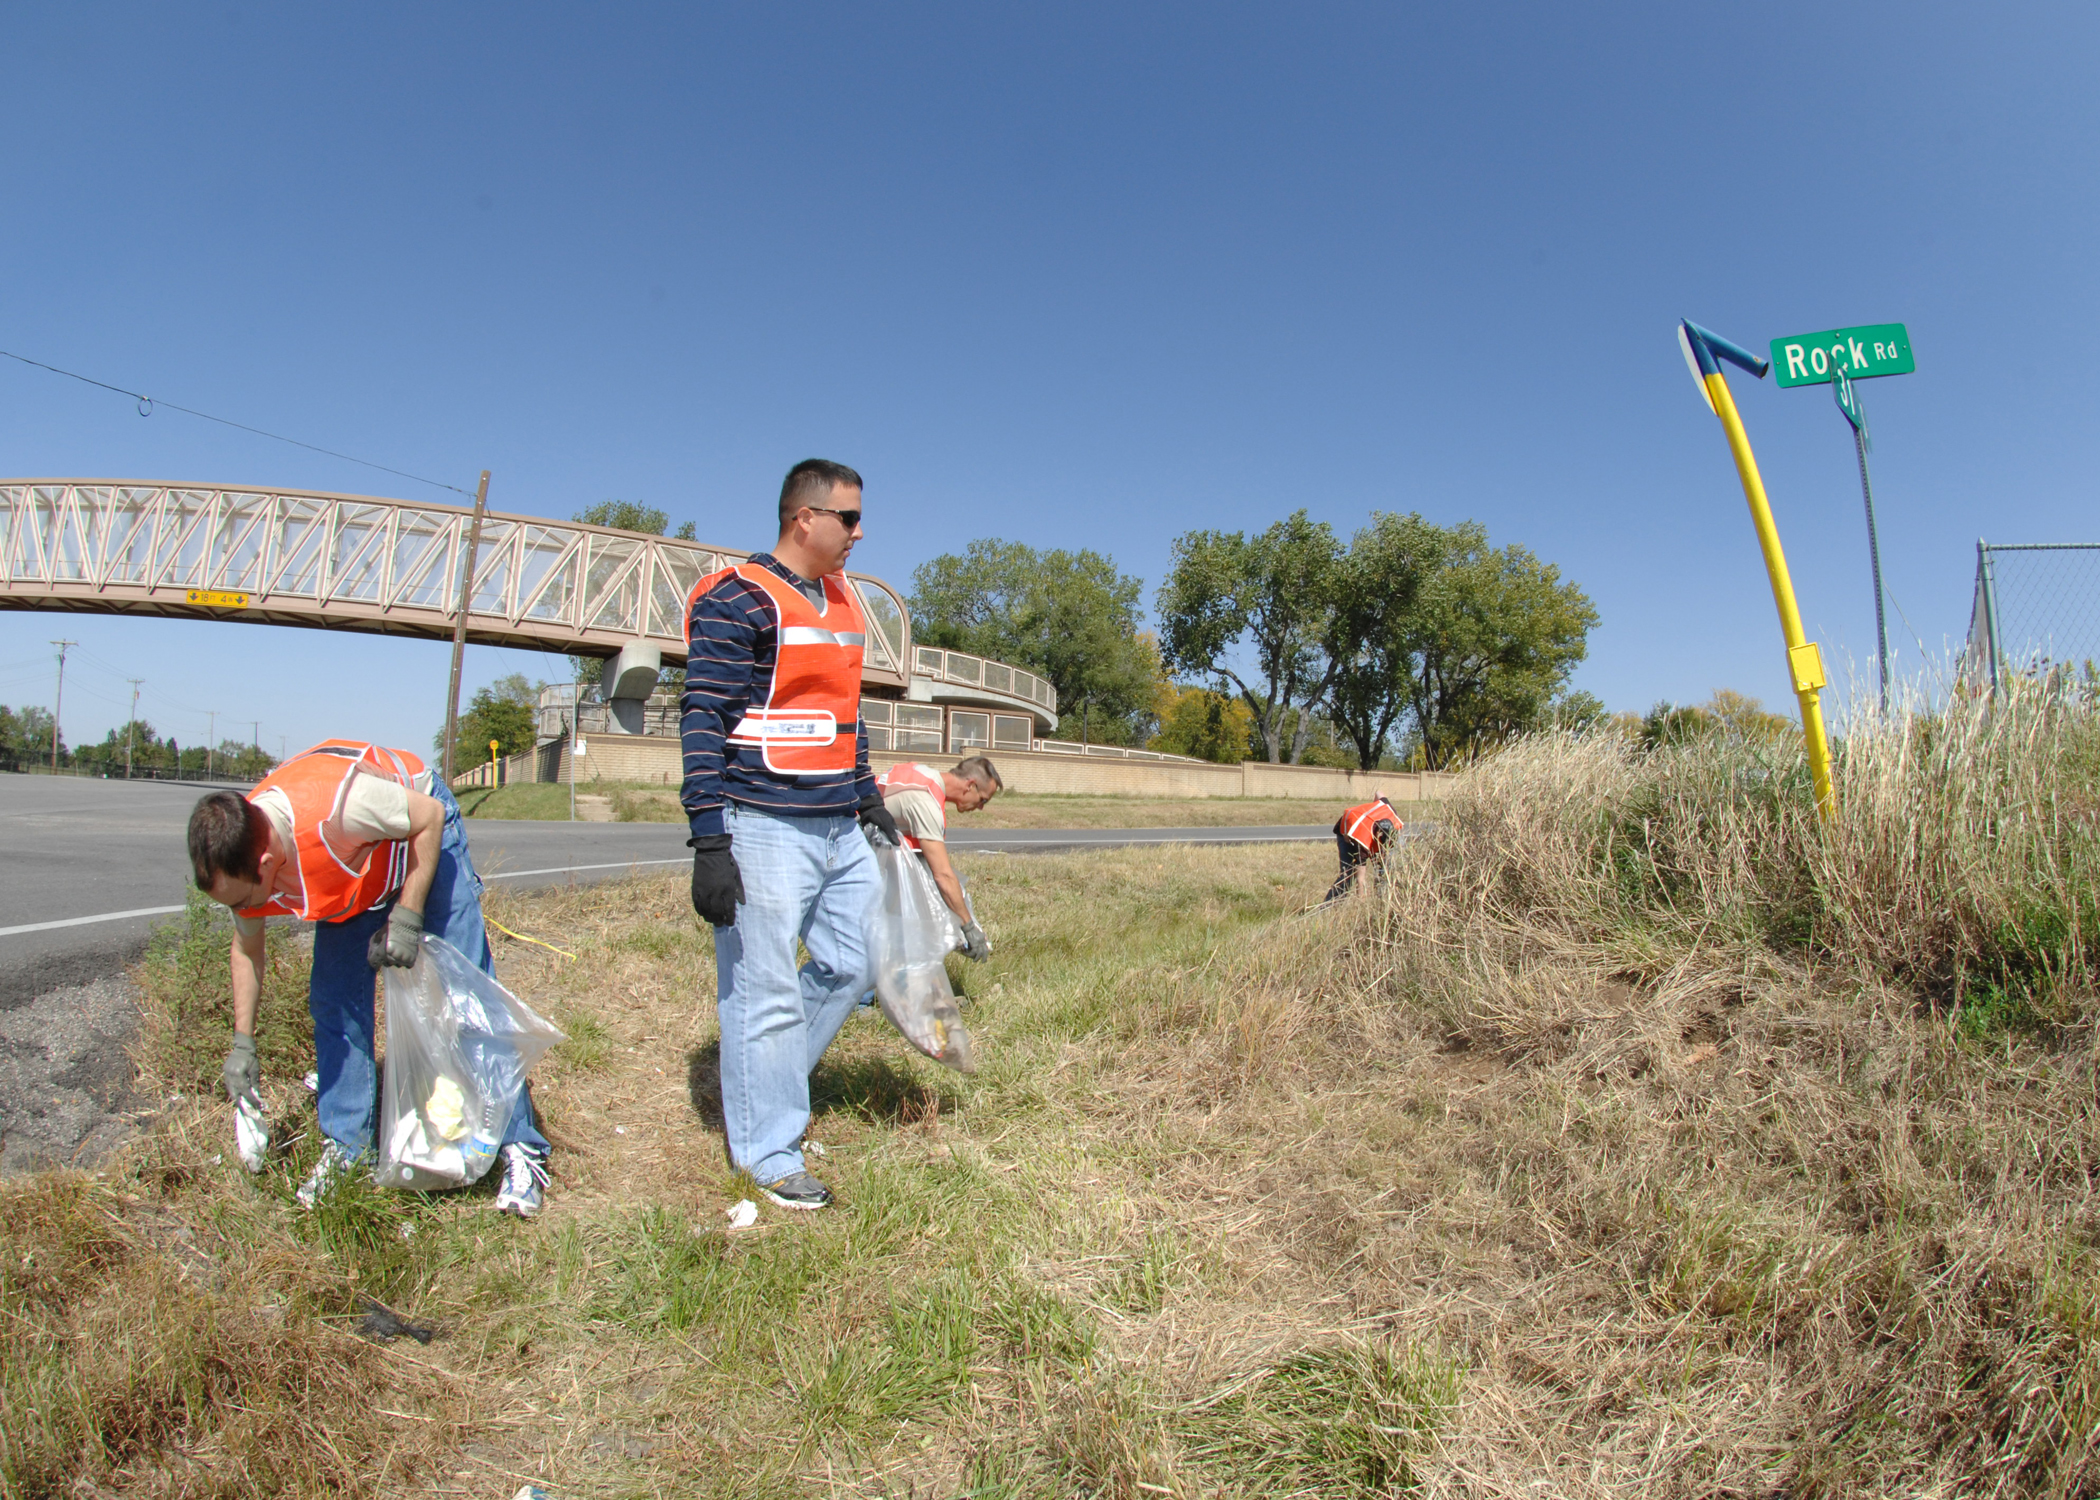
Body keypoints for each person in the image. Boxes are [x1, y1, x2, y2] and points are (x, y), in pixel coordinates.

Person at [186, 741, 553, 1215]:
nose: (243, 912)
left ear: (265, 864)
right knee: (334, 1004)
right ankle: (347, 1144)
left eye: (240, 902)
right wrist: (242, 1042)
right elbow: (247, 948)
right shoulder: (242, 850)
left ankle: (520, 1147)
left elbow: (427, 817)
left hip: (421, 829)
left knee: (467, 997)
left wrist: (407, 914)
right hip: (356, 872)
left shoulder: (336, 807)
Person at [681, 458, 900, 1212]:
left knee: (854, 964)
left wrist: (867, 795)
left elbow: (846, 711)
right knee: (765, 990)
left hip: (839, 822)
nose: (859, 532)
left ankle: (760, 1085)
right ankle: (769, 1149)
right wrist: (710, 841)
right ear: (803, 517)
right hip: (761, 825)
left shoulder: (842, 599)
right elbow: (702, 719)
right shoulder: (736, 599)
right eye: (849, 518)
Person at [874, 756, 1001, 960]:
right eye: (983, 799)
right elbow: (941, 875)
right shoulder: (926, 802)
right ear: (970, 786)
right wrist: (967, 927)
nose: (981, 807)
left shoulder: (922, 774)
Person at [1326, 795, 1403, 901]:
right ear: (1377, 836)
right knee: (1348, 875)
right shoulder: (1362, 840)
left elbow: (1379, 793)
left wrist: (1371, 807)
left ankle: (1382, 903)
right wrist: (1361, 901)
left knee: (1384, 872)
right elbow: (1360, 878)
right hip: (1348, 833)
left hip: (1364, 823)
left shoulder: (1390, 811)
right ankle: (1328, 906)